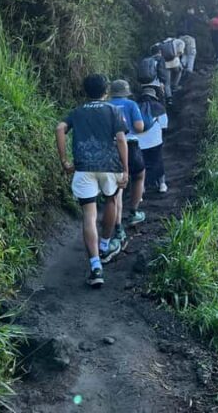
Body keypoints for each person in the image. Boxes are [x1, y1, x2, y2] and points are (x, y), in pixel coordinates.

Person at [55, 74, 129, 288]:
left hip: (84, 167)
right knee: (112, 202)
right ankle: (105, 245)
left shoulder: (77, 112)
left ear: (86, 91)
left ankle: (95, 266)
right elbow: (121, 139)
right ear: (106, 91)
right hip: (110, 167)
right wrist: (125, 169)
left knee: (89, 214)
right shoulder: (114, 110)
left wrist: (64, 161)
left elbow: (60, 128)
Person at [108, 79, 147, 251]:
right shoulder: (131, 104)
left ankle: (117, 227)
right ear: (126, 92)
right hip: (130, 146)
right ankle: (133, 212)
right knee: (138, 176)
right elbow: (139, 127)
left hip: (110, 148)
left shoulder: (106, 105)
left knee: (117, 189)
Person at [137, 85, 169, 193]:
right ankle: (162, 184)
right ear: (153, 96)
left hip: (139, 142)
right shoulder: (159, 107)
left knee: (142, 164)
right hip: (155, 140)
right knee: (158, 161)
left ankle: (142, 187)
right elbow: (164, 126)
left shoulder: (135, 107)